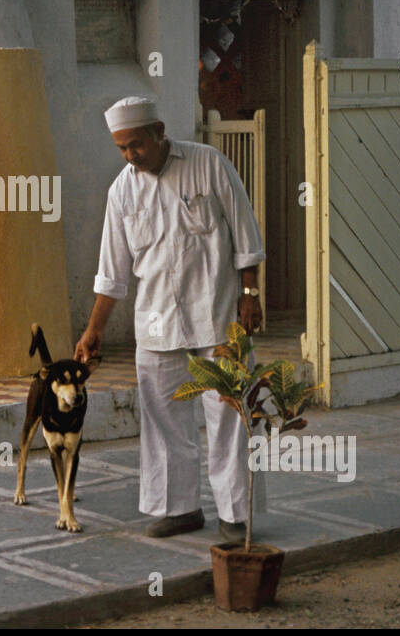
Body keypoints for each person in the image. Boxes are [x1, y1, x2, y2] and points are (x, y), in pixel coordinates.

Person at [74, 95, 266, 539]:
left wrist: (250, 293)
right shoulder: (121, 190)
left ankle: (236, 516)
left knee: (229, 416)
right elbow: (112, 272)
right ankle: (178, 508)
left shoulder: (208, 164)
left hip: (217, 317)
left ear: (159, 132)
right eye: (121, 148)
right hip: (156, 324)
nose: (129, 155)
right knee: (163, 421)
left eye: (136, 144)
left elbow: (246, 234)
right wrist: (93, 330)